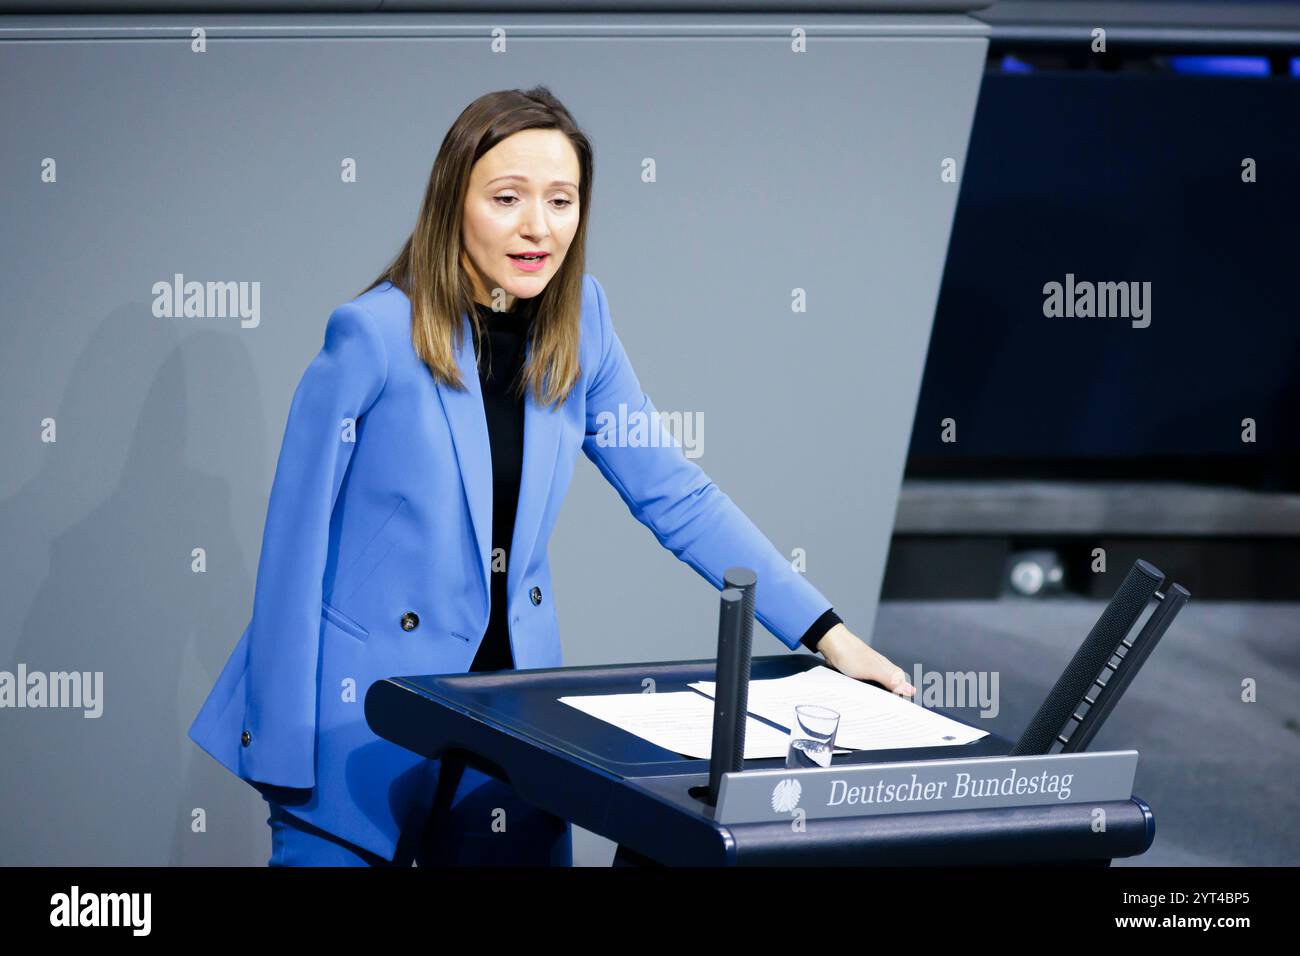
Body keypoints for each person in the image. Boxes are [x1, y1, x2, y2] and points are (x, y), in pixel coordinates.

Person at [188, 85, 916, 867]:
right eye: (508, 198)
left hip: (512, 729)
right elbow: (291, 551)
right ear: (454, 203)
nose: (539, 226)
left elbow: (676, 492)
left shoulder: (584, 324)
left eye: (561, 200)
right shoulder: (371, 334)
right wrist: (284, 748)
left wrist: (827, 634)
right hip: (355, 723)